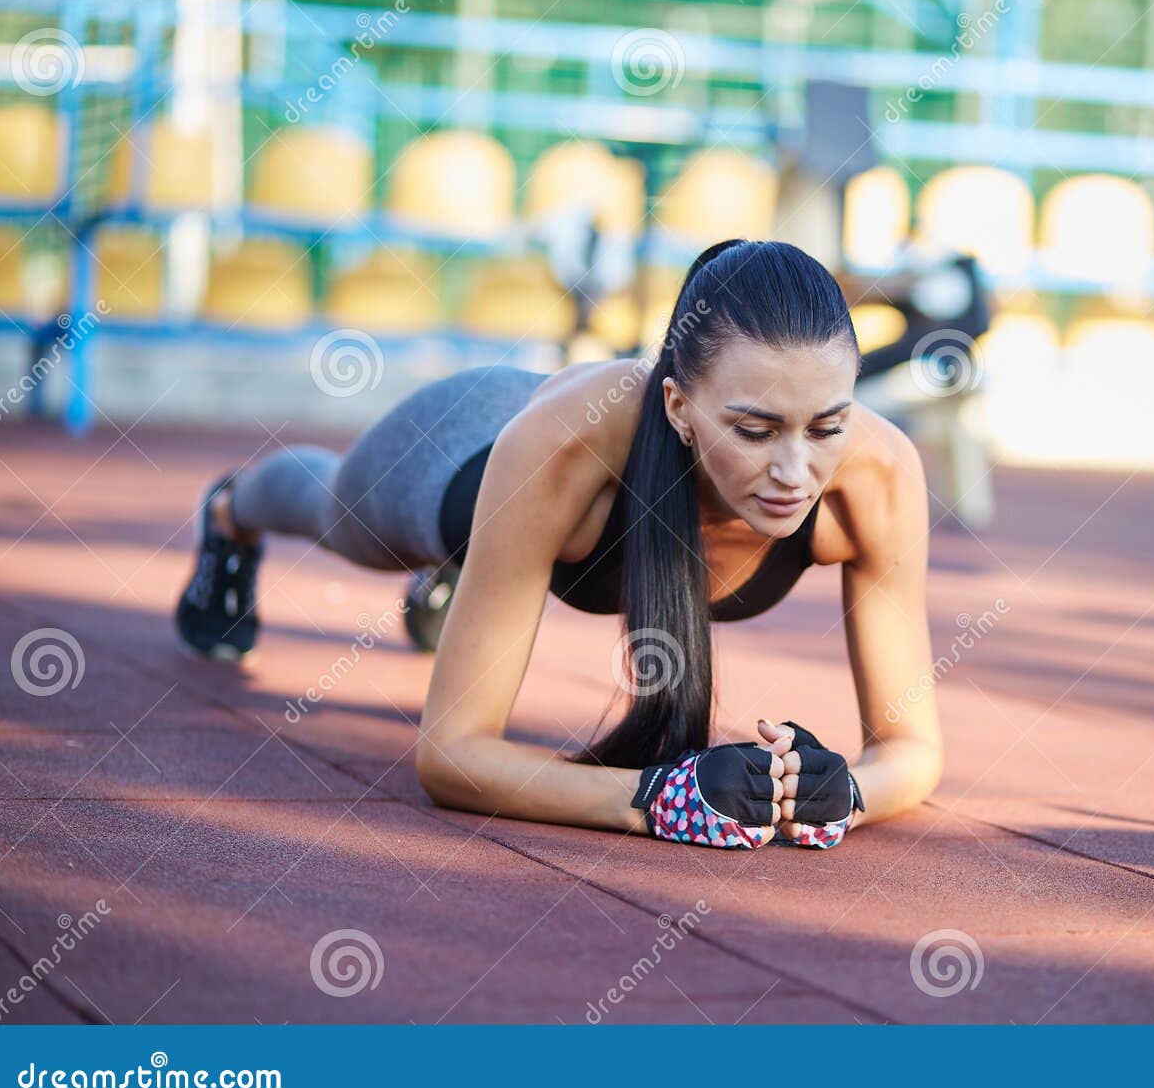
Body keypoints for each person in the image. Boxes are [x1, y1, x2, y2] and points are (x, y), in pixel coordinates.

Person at [175, 239, 943, 849]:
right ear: (678, 406)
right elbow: (450, 756)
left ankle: (465, 587)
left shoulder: (876, 478)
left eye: (827, 426)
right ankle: (232, 509)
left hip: (539, 493)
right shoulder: (558, 449)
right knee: (339, 514)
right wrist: (655, 797)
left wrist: (845, 792)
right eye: (755, 430)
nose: (795, 470)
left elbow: (913, 748)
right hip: (471, 443)